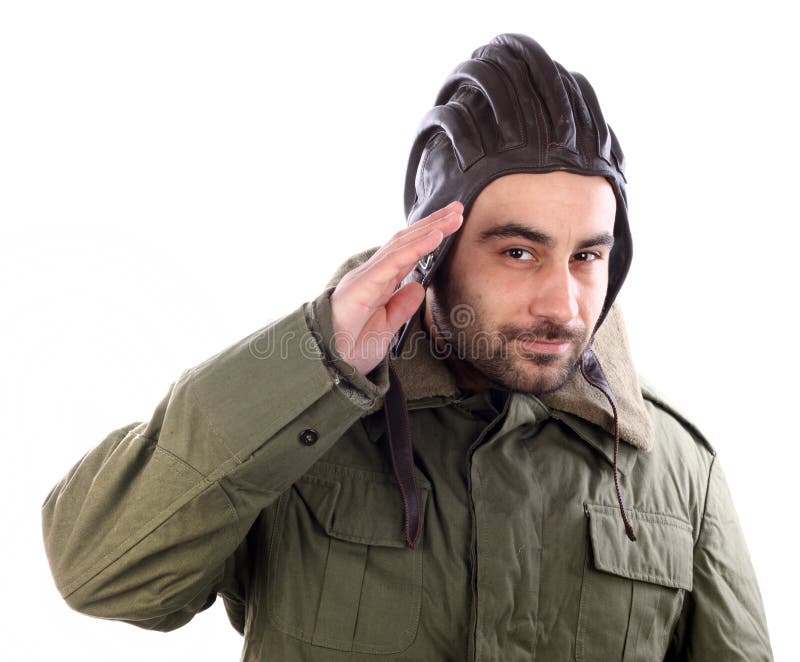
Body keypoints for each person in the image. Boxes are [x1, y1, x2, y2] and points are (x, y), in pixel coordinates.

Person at [41, 33, 773, 661]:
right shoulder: (298, 433)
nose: (563, 304)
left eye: (587, 255)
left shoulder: (680, 473)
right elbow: (101, 573)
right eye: (518, 252)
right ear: (431, 253)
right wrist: (316, 361)